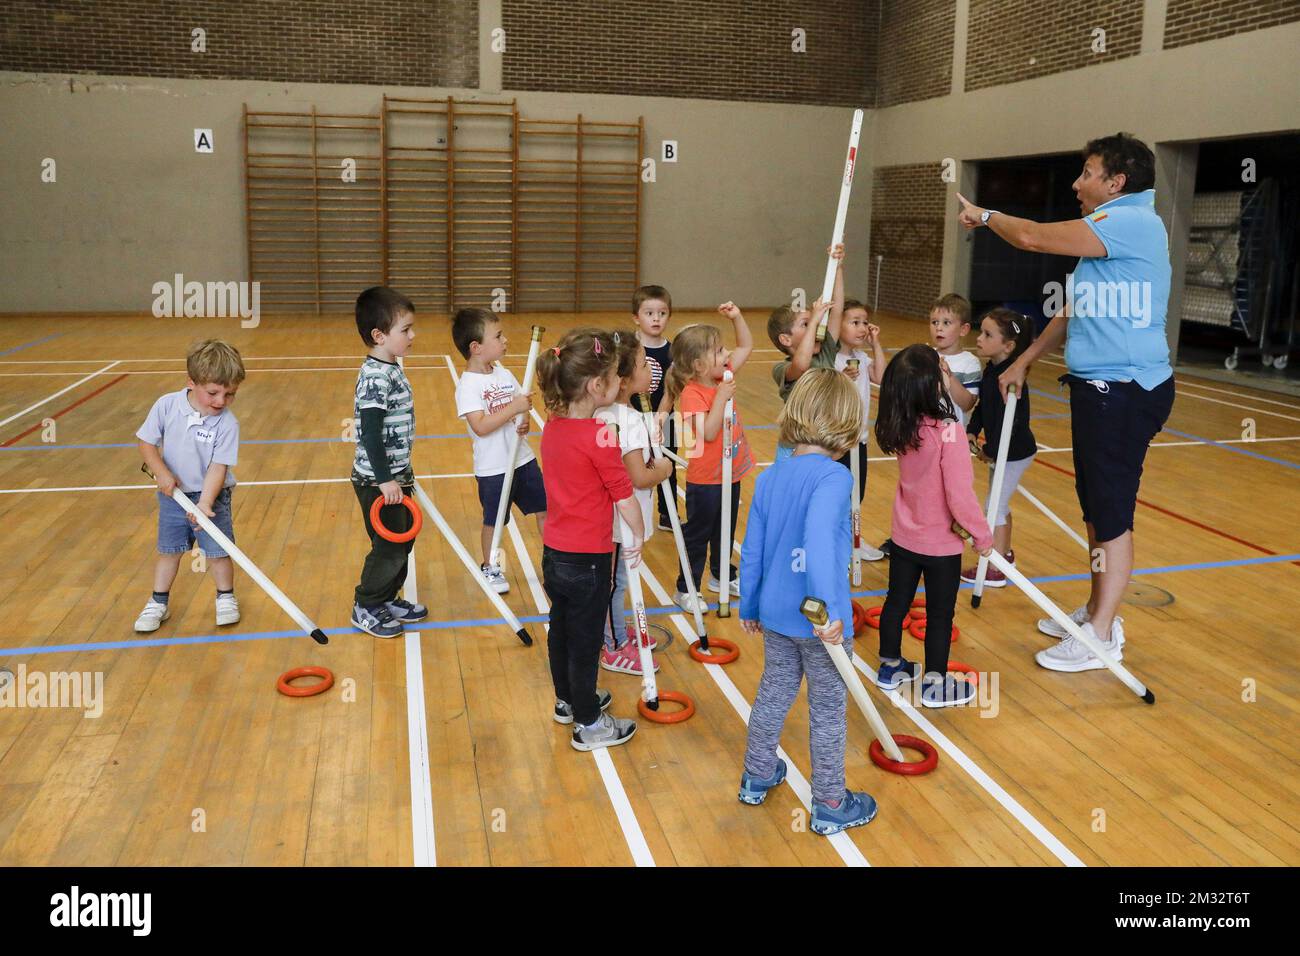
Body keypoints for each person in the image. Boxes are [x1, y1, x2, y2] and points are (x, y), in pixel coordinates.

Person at [957, 132, 1175, 672]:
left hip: (1123, 390)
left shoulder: (1128, 222)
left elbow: (1029, 237)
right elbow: (1074, 306)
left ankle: (1102, 633)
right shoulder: (1106, 233)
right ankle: (1098, 610)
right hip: (1099, 389)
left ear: (1116, 183)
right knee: (1097, 508)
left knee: (1112, 513)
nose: (1078, 183)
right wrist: (1025, 361)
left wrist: (985, 216)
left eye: (1087, 173)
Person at [737, 368, 877, 836]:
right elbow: (819, 545)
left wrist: (749, 605)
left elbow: (752, 549)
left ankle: (757, 774)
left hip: (776, 613)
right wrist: (832, 615)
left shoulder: (772, 475)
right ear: (846, 426)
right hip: (821, 621)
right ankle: (831, 801)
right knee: (828, 708)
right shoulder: (835, 477)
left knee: (774, 689)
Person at [536, 328, 646, 751]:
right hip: (590, 559)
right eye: (617, 376)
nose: (621, 383)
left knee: (560, 630)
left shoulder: (553, 429)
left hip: (555, 553)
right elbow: (623, 495)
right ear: (597, 386)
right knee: (585, 643)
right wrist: (637, 534)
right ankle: (589, 723)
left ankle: (568, 700)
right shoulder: (602, 434)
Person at [873, 345, 993, 707]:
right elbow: (960, 496)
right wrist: (982, 536)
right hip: (940, 547)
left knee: (897, 603)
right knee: (940, 616)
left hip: (905, 538)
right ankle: (937, 685)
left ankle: (890, 667)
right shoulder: (950, 433)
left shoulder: (903, 428)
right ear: (933, 386)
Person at [134, 339, 246, 633]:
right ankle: (158, 602)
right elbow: (146, 442)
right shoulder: (167, 406)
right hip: (173, 498)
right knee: (169, 550)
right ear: (191, 382)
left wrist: (205, 503)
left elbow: (217, 468)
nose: (221, 401)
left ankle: (225, 597)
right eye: (213, 393)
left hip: (213, 497)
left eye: (229, 394)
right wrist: (161, 473)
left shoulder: (227, 424)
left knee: (218, 552)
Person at [665, 303, 755, 613]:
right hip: (706, 480)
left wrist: (736, 317)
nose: (727, 354)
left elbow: (746, 345)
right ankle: (686, 587)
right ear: (700, 365)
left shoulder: (722, 378)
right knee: (699, 534)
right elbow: (710, 432)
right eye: (719, 351)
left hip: (731, 473)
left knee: (725, 530)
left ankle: (722, 575)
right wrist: (721, 397)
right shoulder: (693, 393)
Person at [349, 287, 428, 638]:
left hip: (396, 475)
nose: (413, 336)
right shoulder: (376, 376)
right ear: (379, 336)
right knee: (389, 546)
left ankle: (386, 597)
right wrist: (385, 479)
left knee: (402, 543)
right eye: (405, 330)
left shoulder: (390, 367)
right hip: (377, 482)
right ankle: (366, 604)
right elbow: (369, 433)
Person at [452, 307, 546, 595]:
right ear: (476, 348)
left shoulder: (503, 373)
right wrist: (512, 410)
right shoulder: (468, 385)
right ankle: (490, 565)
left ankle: (554, 561)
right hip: (493, 468)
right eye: (498, 336)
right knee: (494, 520)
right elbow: (480, 426)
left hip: (523, 459)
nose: (505, 340)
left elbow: (521, 406)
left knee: (546, 510)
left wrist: (523, 419)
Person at [596, 333, 673, 676]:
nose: (652, 367)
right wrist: (665, 469)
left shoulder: (616, 412)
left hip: (618, 520)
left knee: (617, 582)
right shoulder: (624, 420)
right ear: (624, 381)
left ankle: (614, 627)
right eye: (644, 364)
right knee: (615, 583)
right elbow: (637, 477)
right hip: (619, 524)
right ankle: (612, 647)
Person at [961, 308, 1037, 587]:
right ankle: (1006, 555)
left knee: (995, 505)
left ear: (1008, 346)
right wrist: (972, 431)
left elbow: (1013, 421)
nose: (979, 338)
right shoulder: (992, 369)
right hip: (1001, 451)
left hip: (1014, 452)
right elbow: (983, 408)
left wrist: (991, 449)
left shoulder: (1014, 379)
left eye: (987, 334)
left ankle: (998, 565)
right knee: (998, 503)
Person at [631, 285, 679, 531]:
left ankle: (667, 513)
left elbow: (671, 391)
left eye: (662, 313)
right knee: (634, 463)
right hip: (632, 420)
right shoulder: (629, 349)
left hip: (663, 418)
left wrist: (659, 420)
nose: (656, 318)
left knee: (666, 462)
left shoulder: (672, 352)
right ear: (636, 318)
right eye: (649, 313)